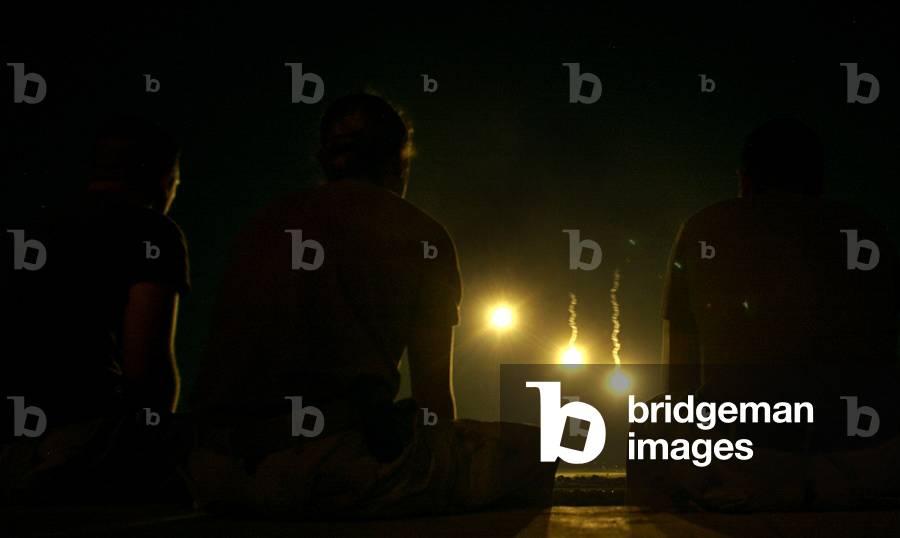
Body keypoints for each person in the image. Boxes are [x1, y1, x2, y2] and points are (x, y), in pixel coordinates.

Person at [187, 93, 555, 517]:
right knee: (535, 454)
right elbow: (433, 399)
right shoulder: (421, 235)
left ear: (323, 157)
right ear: (400, 164)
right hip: (323, 465)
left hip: (215, 469)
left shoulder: (261, 222)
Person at [627, 118, 900, 511]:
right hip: (877, 463)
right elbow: (885, 351)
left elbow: (679, 383)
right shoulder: (866, 228)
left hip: (754, 467)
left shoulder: (704, 227)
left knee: (649, 426)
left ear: (744, 179)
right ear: (819, 180)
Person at [0, 115, 190, 503]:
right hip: (75, 435)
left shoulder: (31, 223)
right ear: (165, 178)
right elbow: (147, 366)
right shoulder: (152, 231)